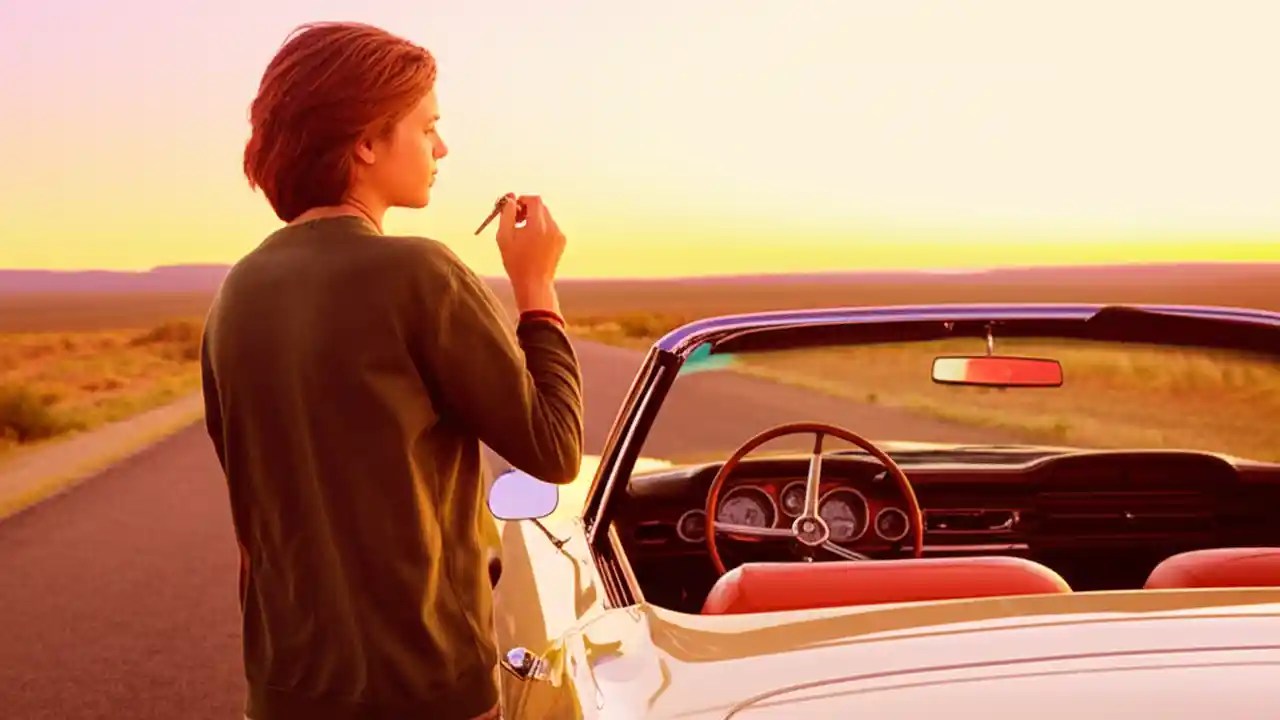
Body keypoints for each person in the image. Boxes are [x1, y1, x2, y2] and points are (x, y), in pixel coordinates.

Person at [200, 21, 585, 720]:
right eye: (427, 126)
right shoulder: (418, 272)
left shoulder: (237, 290)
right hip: (420, 688)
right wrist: (536, 288)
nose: (442, 148)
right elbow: (555, 448)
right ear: (368, 142)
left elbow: (253, 519)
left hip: (283, 689)